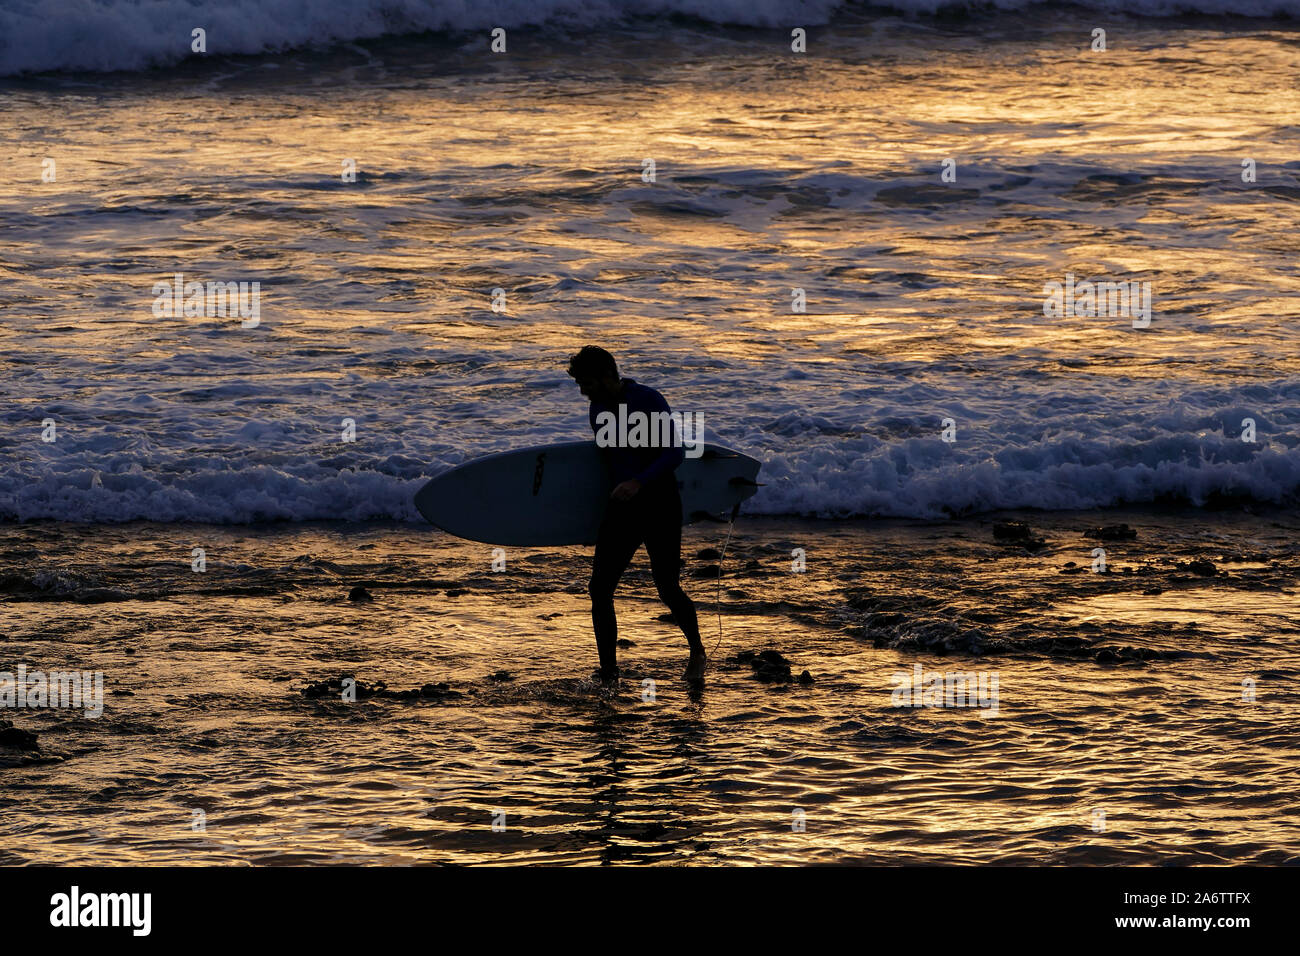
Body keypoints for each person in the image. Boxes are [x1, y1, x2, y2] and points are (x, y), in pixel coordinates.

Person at [566, 346, 706, 684]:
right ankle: (609, 672)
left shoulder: (647, 400)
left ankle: (697, 650)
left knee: (667, 587)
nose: (582, 391)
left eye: (586, 383)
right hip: (623, 505)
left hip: (659, 501)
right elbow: (611, 459)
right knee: (600, 588)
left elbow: (674, 453)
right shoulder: (597, 408)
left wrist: (638, 482)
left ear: (605, 377)